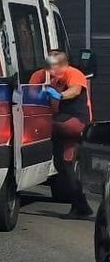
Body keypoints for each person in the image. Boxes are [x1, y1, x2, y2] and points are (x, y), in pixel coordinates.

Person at [32, 46, 94, 218]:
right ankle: (81, 207)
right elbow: (30, 90)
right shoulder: (45, 76)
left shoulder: (73, 73)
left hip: (75, 121)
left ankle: (81, 207)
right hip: (62, 124)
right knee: (63, 166)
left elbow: (75, 90)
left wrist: (60, 95)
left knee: (47, 126)